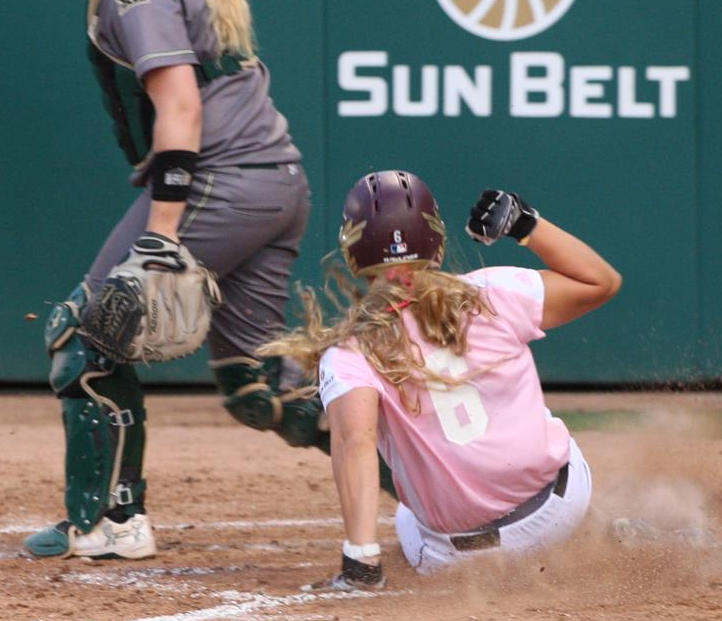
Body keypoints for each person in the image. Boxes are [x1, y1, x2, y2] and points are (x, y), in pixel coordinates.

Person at [23, 0, 324, 561]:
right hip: (276, 182)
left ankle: (109, 520)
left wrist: (161, 232)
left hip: (220, 182)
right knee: (258, 387)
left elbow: (180, 107)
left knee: (82, 336)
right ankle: (440, 489)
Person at [263, 173, 620, 590]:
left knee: (405, 511)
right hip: (559, 512)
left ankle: (370, 566)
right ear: (435, 238)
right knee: (535, 422)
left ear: (353, 250)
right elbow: (602, 282)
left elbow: (354, 442)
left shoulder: (348, 353)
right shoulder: (489, 293)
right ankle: (599, 532)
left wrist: (359, 565)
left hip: (455, 559)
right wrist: (526, 224)